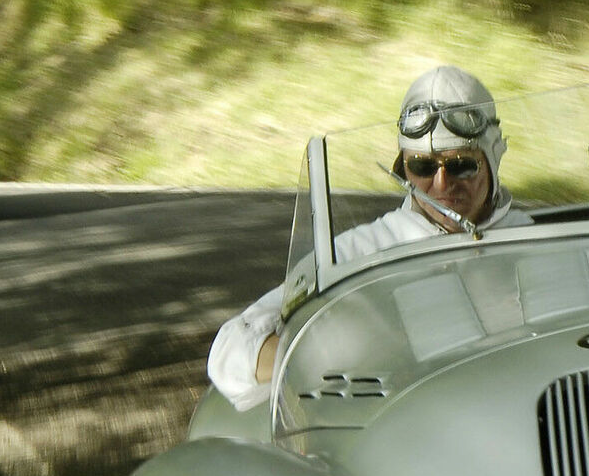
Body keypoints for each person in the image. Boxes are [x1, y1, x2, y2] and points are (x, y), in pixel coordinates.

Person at [207, 64, 532, 410]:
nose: (441, 185)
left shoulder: (532, 236)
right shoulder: (362, 251)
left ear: (493, 157)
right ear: (403, 166)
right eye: (422, 166)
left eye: (461, 166)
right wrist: (326, 355)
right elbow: (230, 350)